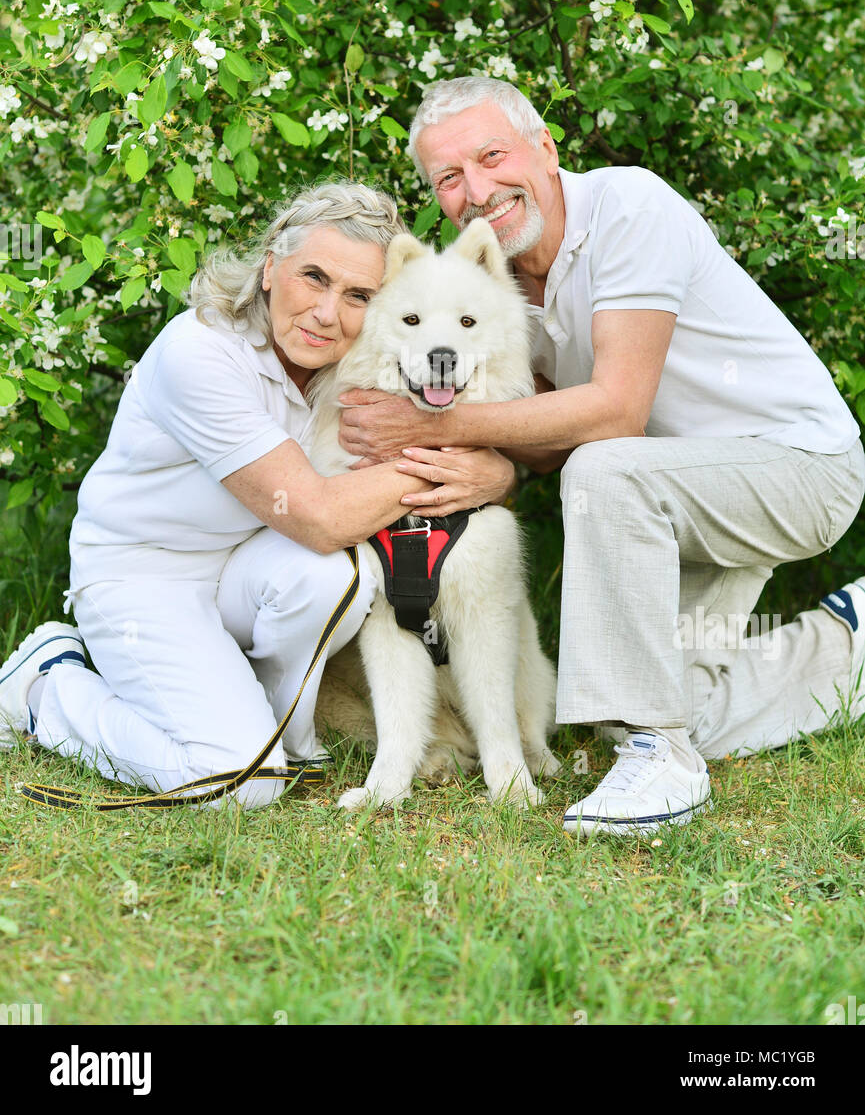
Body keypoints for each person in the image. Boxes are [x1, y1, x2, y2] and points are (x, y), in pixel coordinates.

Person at [336, 77, 865, 838]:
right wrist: (500, 469)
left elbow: (615, 411)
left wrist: (430, 430)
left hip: (797, 469)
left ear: (544, 149)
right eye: (448, 178)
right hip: (671, 497)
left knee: (605, 467)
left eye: (492, 156)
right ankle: (846, 649)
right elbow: (543, 438)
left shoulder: (628, 208)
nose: (476, 190)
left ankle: (661, 758)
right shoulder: (495, 284)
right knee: (663, 698)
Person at [0, 181, 514, 808]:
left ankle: (273, 728)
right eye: (314, 278)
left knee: (340, 578)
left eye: (357, 295)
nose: (328, 312)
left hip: (250, 566)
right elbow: (322, 517)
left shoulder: (350, 363)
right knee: (237, 785)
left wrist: (494, 469)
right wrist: (468, 468)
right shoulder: (201, 353)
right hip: (146, 578)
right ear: (271, 266)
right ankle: (47, 688)